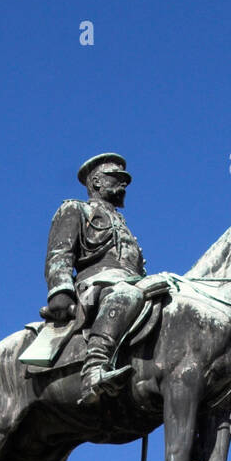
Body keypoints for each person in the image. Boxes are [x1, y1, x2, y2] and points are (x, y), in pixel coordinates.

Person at [43, 154, 149, 405]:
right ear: (96, 182)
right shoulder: (75, 209)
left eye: (125, 180)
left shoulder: (124, 225)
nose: (123, 185)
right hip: (97, 286)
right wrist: (60, 291)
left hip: (131, 283)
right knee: (127, 294)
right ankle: (95, 367)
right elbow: (59, 253)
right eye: (117, 179)